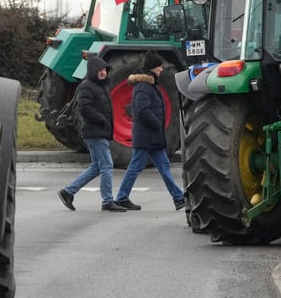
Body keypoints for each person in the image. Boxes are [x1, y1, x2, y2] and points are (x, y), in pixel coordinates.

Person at [114, 51, 186, 211]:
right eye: (159, 66)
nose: (161, 69)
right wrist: (157, 124)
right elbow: (141, 110)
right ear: (152, 68)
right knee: (136, 167)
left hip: (152, 136)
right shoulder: (143, 87)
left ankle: (179, 198)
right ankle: (121, 198)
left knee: (164, 166)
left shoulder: (149, 85)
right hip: (146, 136)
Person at [58, 55, 127, 212]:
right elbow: (84, 108)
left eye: (104, 70)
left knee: (96, 167)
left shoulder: (101, 87)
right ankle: (107, 201)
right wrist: (102, 120)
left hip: (100, 131)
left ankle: (68, 192)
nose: (103, 73)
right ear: (92, 71)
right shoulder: (86, 87)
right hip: (94, 132)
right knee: (107, 165)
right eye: (100, 70)